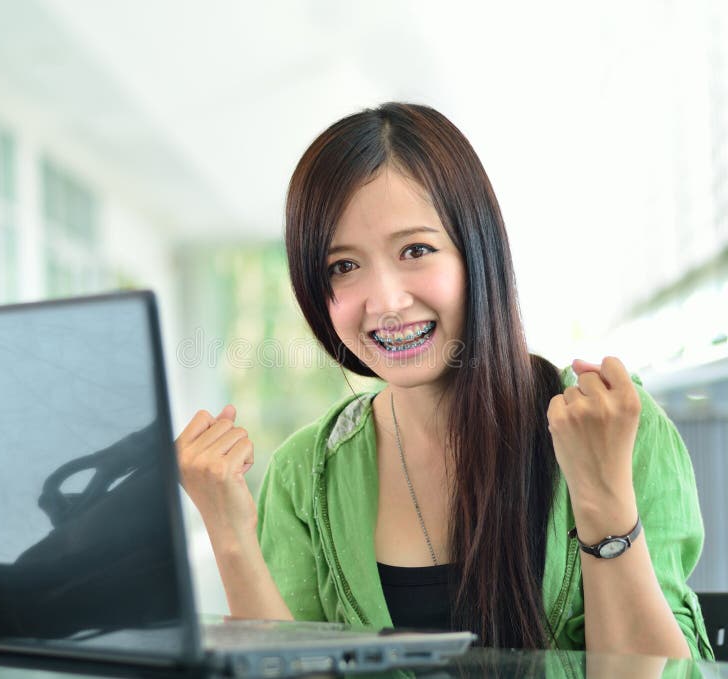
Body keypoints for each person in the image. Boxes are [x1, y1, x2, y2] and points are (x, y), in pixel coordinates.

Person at [176, 103, 713, 659]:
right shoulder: (304, 474)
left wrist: (603, 500)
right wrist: (229, 532)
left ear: (476, 250)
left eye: (416, 250)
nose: (385, 302)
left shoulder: (615, 427)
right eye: (343, 266)